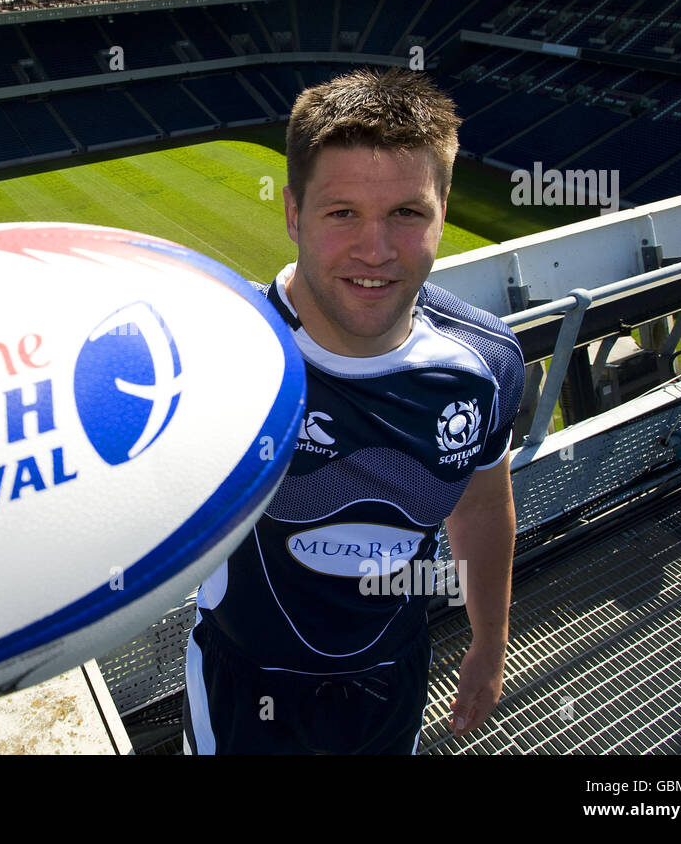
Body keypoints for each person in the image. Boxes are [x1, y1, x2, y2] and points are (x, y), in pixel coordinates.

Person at [180, 67, 524, 754]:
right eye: (343, 214)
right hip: (247, 688)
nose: (377, 251)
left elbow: (483, 505)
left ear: (443, 210)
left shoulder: (485, 363)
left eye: (407, 213)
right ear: (291, 213)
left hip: (393, 680)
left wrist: (491, 641)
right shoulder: (216, 348)